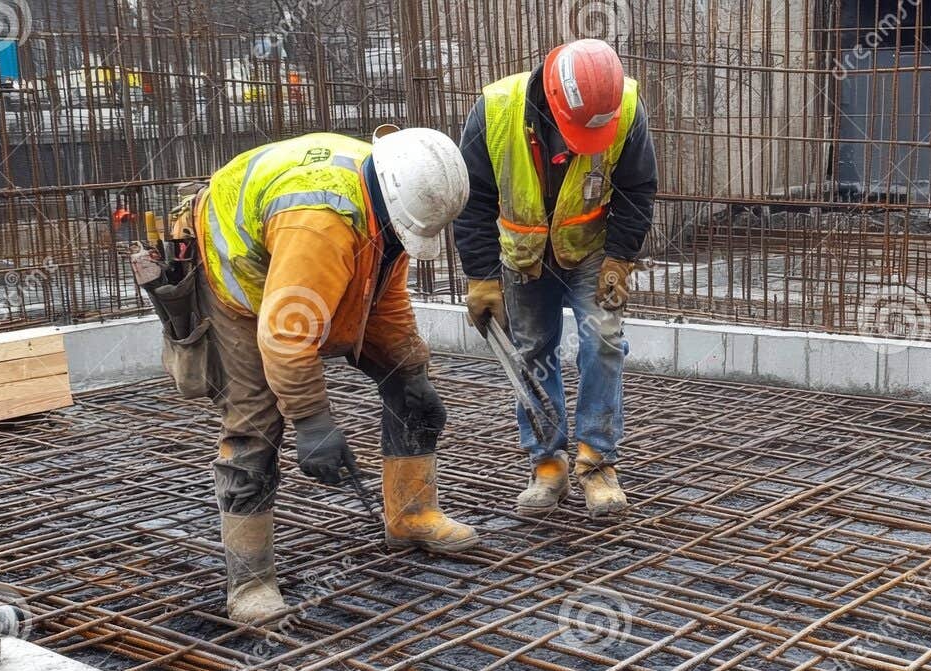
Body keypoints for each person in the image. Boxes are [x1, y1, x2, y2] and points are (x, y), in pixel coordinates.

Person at [191, 125, 479, 623]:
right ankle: (250, 582)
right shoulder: (319, 223)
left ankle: (411, 516)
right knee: (255, 425)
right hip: (241, 284)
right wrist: (311, 421)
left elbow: (384, 295)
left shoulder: (389, 198)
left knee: (411, 388)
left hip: (302, 269)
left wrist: (409, 369)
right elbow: (286, 335)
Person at [454, 38, 657, 518]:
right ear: (553, 99)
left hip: (590, 249)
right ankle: (548, 463)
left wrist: (619, 259)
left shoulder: (624, 106)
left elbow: (637, 188)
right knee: (531, 352)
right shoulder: (495, 110)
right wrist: (482, 277)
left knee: (604, 340)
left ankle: (595, 463)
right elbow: (472, 199)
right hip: (524, 256)